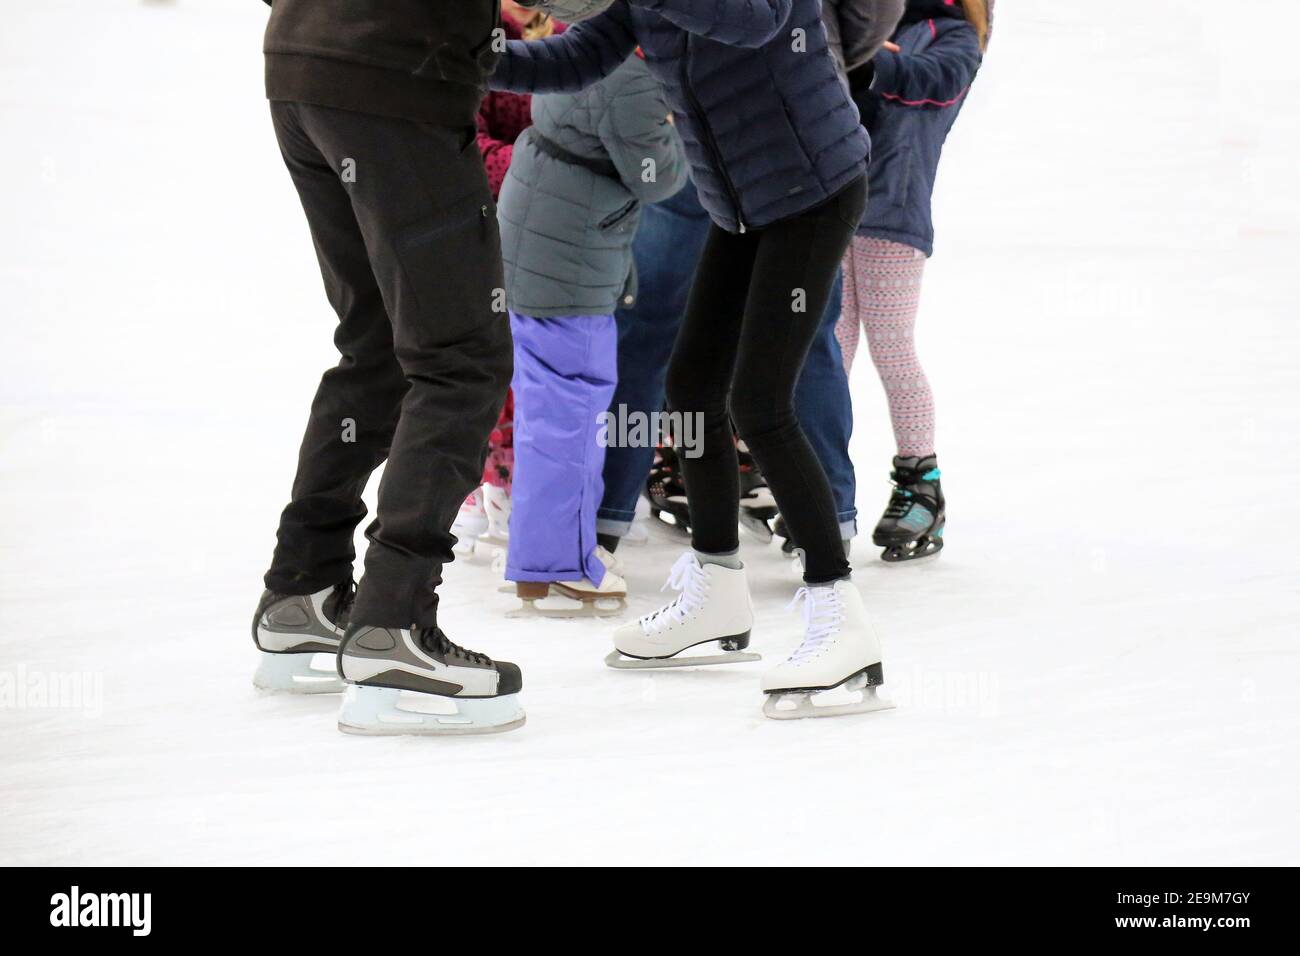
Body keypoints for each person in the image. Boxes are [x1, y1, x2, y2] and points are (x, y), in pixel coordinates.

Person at [494, 0, 900, 720]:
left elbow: (756, 21)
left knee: (761, 403)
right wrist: (476, 53)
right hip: (740, 202)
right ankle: (716, 587)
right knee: (691, 387)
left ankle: (841, 615)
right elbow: (578, 58)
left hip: (813, 189)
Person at [248, 0, 524, 736]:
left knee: (376, 342)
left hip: (304, 65)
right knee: (460, 357)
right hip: (400, 81)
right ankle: (393, 623)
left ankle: (302, 589)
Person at [498, 49, 687, 613]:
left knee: (550, 409)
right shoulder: (632, 76)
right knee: (573, 410)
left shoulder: (585, 44)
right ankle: (562, 564)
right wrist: (680, 131)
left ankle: (541, 558)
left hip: (542, 237)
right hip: (568, 257)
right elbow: (659, 178)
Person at [837, 0, 991, 562]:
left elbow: (934, 82)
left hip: (893, 212)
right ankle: (823, 482)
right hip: (834, 200)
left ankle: (921, 483)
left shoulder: (954, 34)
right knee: (829, 348)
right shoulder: (873, 21)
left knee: (892, 347)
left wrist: (869, 60)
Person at [453, 1, 564, 553]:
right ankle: (487, 480)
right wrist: (542, 168)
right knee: (491, 357)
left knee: (552, 362)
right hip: (489, 226)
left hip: (561, 231)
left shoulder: (571, 33)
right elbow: (463, 140)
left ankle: (542, 483)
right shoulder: (474, 32)